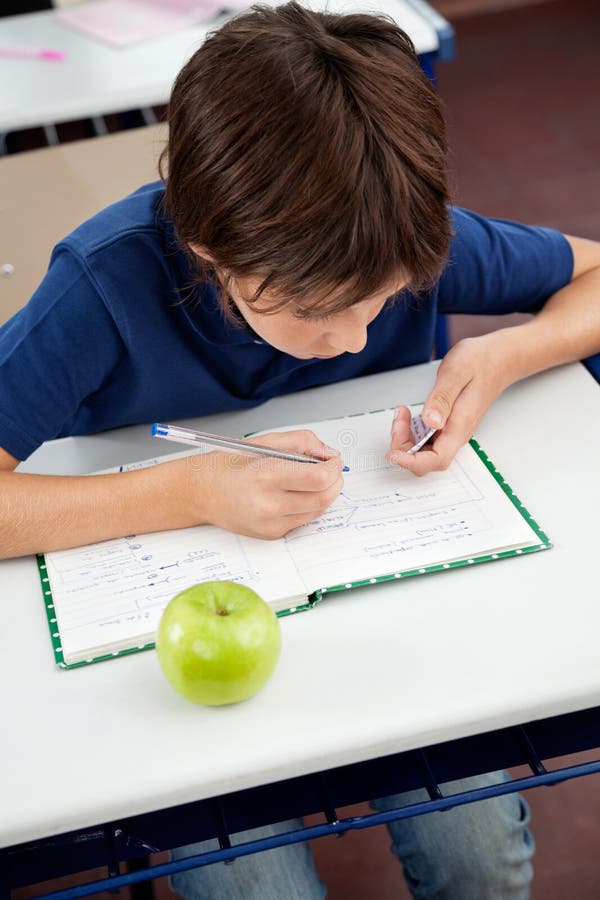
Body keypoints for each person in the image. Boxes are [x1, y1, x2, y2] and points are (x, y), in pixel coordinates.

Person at [1, 3, 599, 896]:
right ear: (209, 246)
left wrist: (502, 350)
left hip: (389, 623)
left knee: (484, 861)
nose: (358, 341)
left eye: (383, 301)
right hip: (178, 655)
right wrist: (195, 489)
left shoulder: (383, 228)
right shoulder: (102, 285)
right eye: (319, 314)